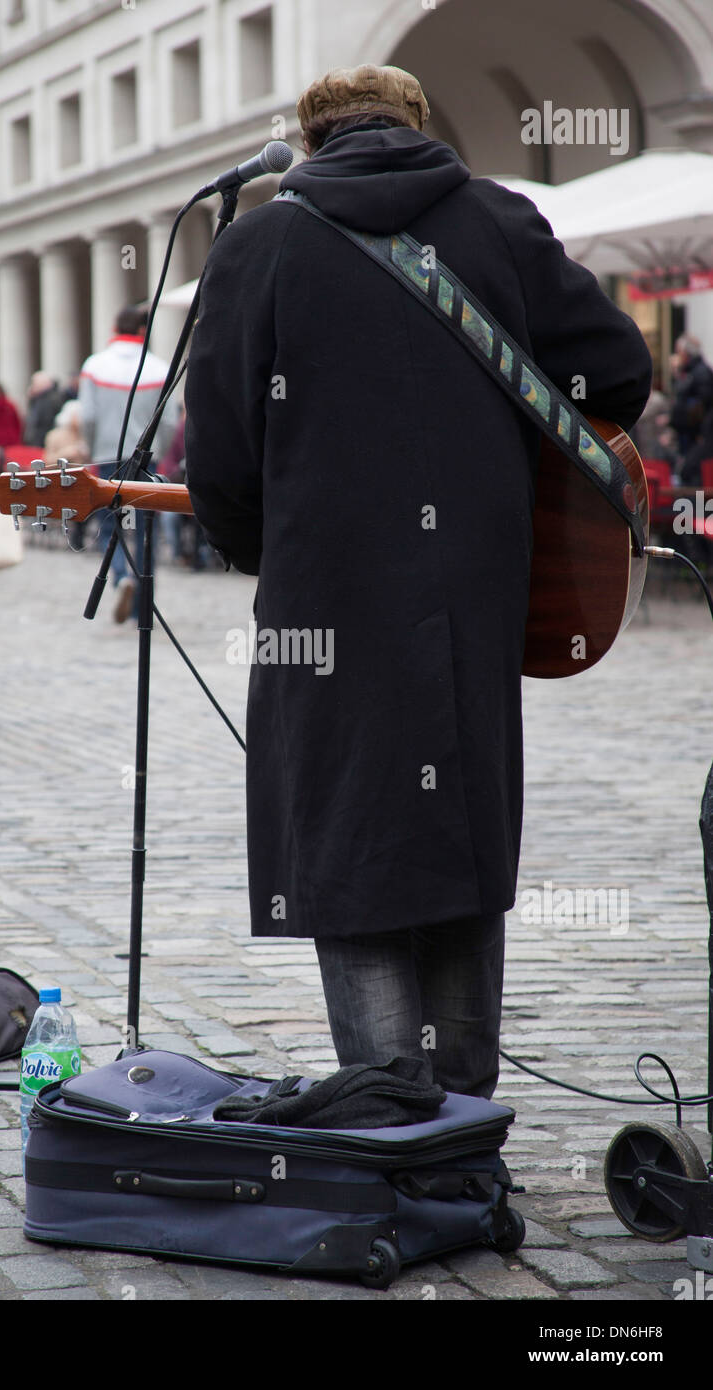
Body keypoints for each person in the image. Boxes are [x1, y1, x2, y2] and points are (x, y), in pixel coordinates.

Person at [183, 64, 652, 1099]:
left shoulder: (257, 242)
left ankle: (394, 1126)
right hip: (473, 594)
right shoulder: (497, 220)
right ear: (419, 127)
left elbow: (215, 461)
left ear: (306, 144)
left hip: (321, 607)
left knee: (347, 843)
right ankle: (462, 1123)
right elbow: (615, 373)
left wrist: (283, 545)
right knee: (457, 839)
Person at [78, 306, 175, 623]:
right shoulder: (159, 367)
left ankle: (121, 576)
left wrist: (93, 449)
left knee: (111, 525)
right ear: (143, 331)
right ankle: (143, 605)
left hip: (108, 457)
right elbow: (171, 421)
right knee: (147, 528)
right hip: (147, 459)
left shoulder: (94, 366)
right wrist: (157, 449)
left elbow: (88, 417)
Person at [669, 335, 713, 457]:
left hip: (695, 433)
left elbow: (703, 404)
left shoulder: (700, 373)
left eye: (678, 351)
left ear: (686, 353)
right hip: (686, 431)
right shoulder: (688, 372)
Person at [24, 371, 67, 448]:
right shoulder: (38, 399)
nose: (32, 386)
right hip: (39, 441)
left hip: (43, 442)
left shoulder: (50, 400)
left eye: (34, 383)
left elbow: (45, 422)